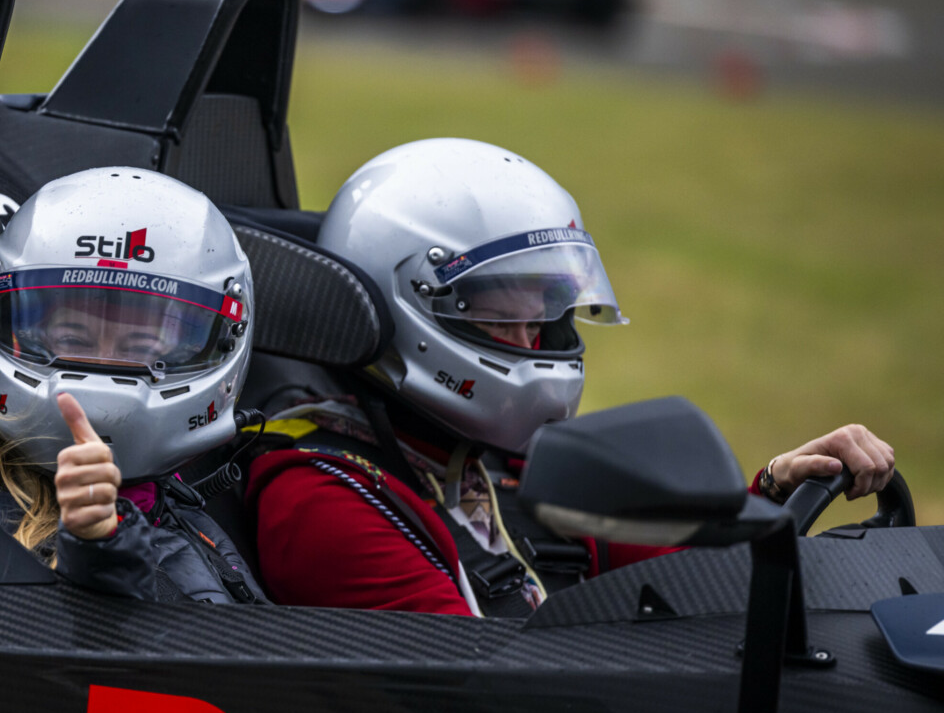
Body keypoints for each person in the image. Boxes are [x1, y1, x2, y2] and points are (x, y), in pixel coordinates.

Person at [246, 138, 894, 617]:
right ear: (403, 304)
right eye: (502, 309)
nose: (534, 338)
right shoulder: (323, 500)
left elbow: (688, 583)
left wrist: (772, 493)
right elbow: (482, 703)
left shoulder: (487, 460)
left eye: (548, 307)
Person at [0, 167, 267, 605]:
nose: (105, 365)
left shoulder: (163, 498)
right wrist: (97, 542)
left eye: (144, 345)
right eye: (72, 339)